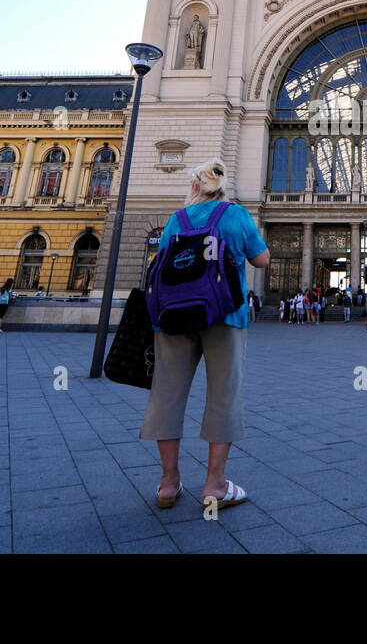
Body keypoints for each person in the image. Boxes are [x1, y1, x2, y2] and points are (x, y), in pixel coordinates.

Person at [140, 159, 269, 512]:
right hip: (224, 315)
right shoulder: (236, 215)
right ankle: (215, 484)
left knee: (166, 394)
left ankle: (168, 483)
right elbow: (262, 260)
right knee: (223, 396)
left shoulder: (175, 220)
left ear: (194, 188)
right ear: (222, 188)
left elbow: (162, 262)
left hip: (172, 318)